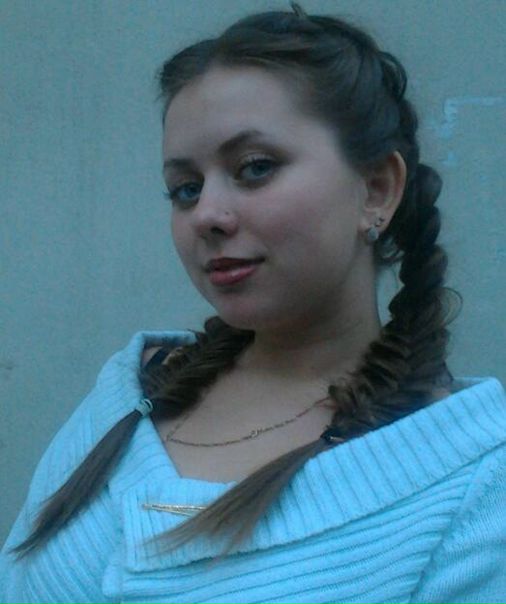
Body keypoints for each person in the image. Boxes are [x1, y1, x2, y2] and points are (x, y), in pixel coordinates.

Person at [1, 3, 505, 603]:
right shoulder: (126, 395)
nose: (207, 215)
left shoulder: (471, 484)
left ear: (376, 190)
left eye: (255, 168)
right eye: (185, 189)